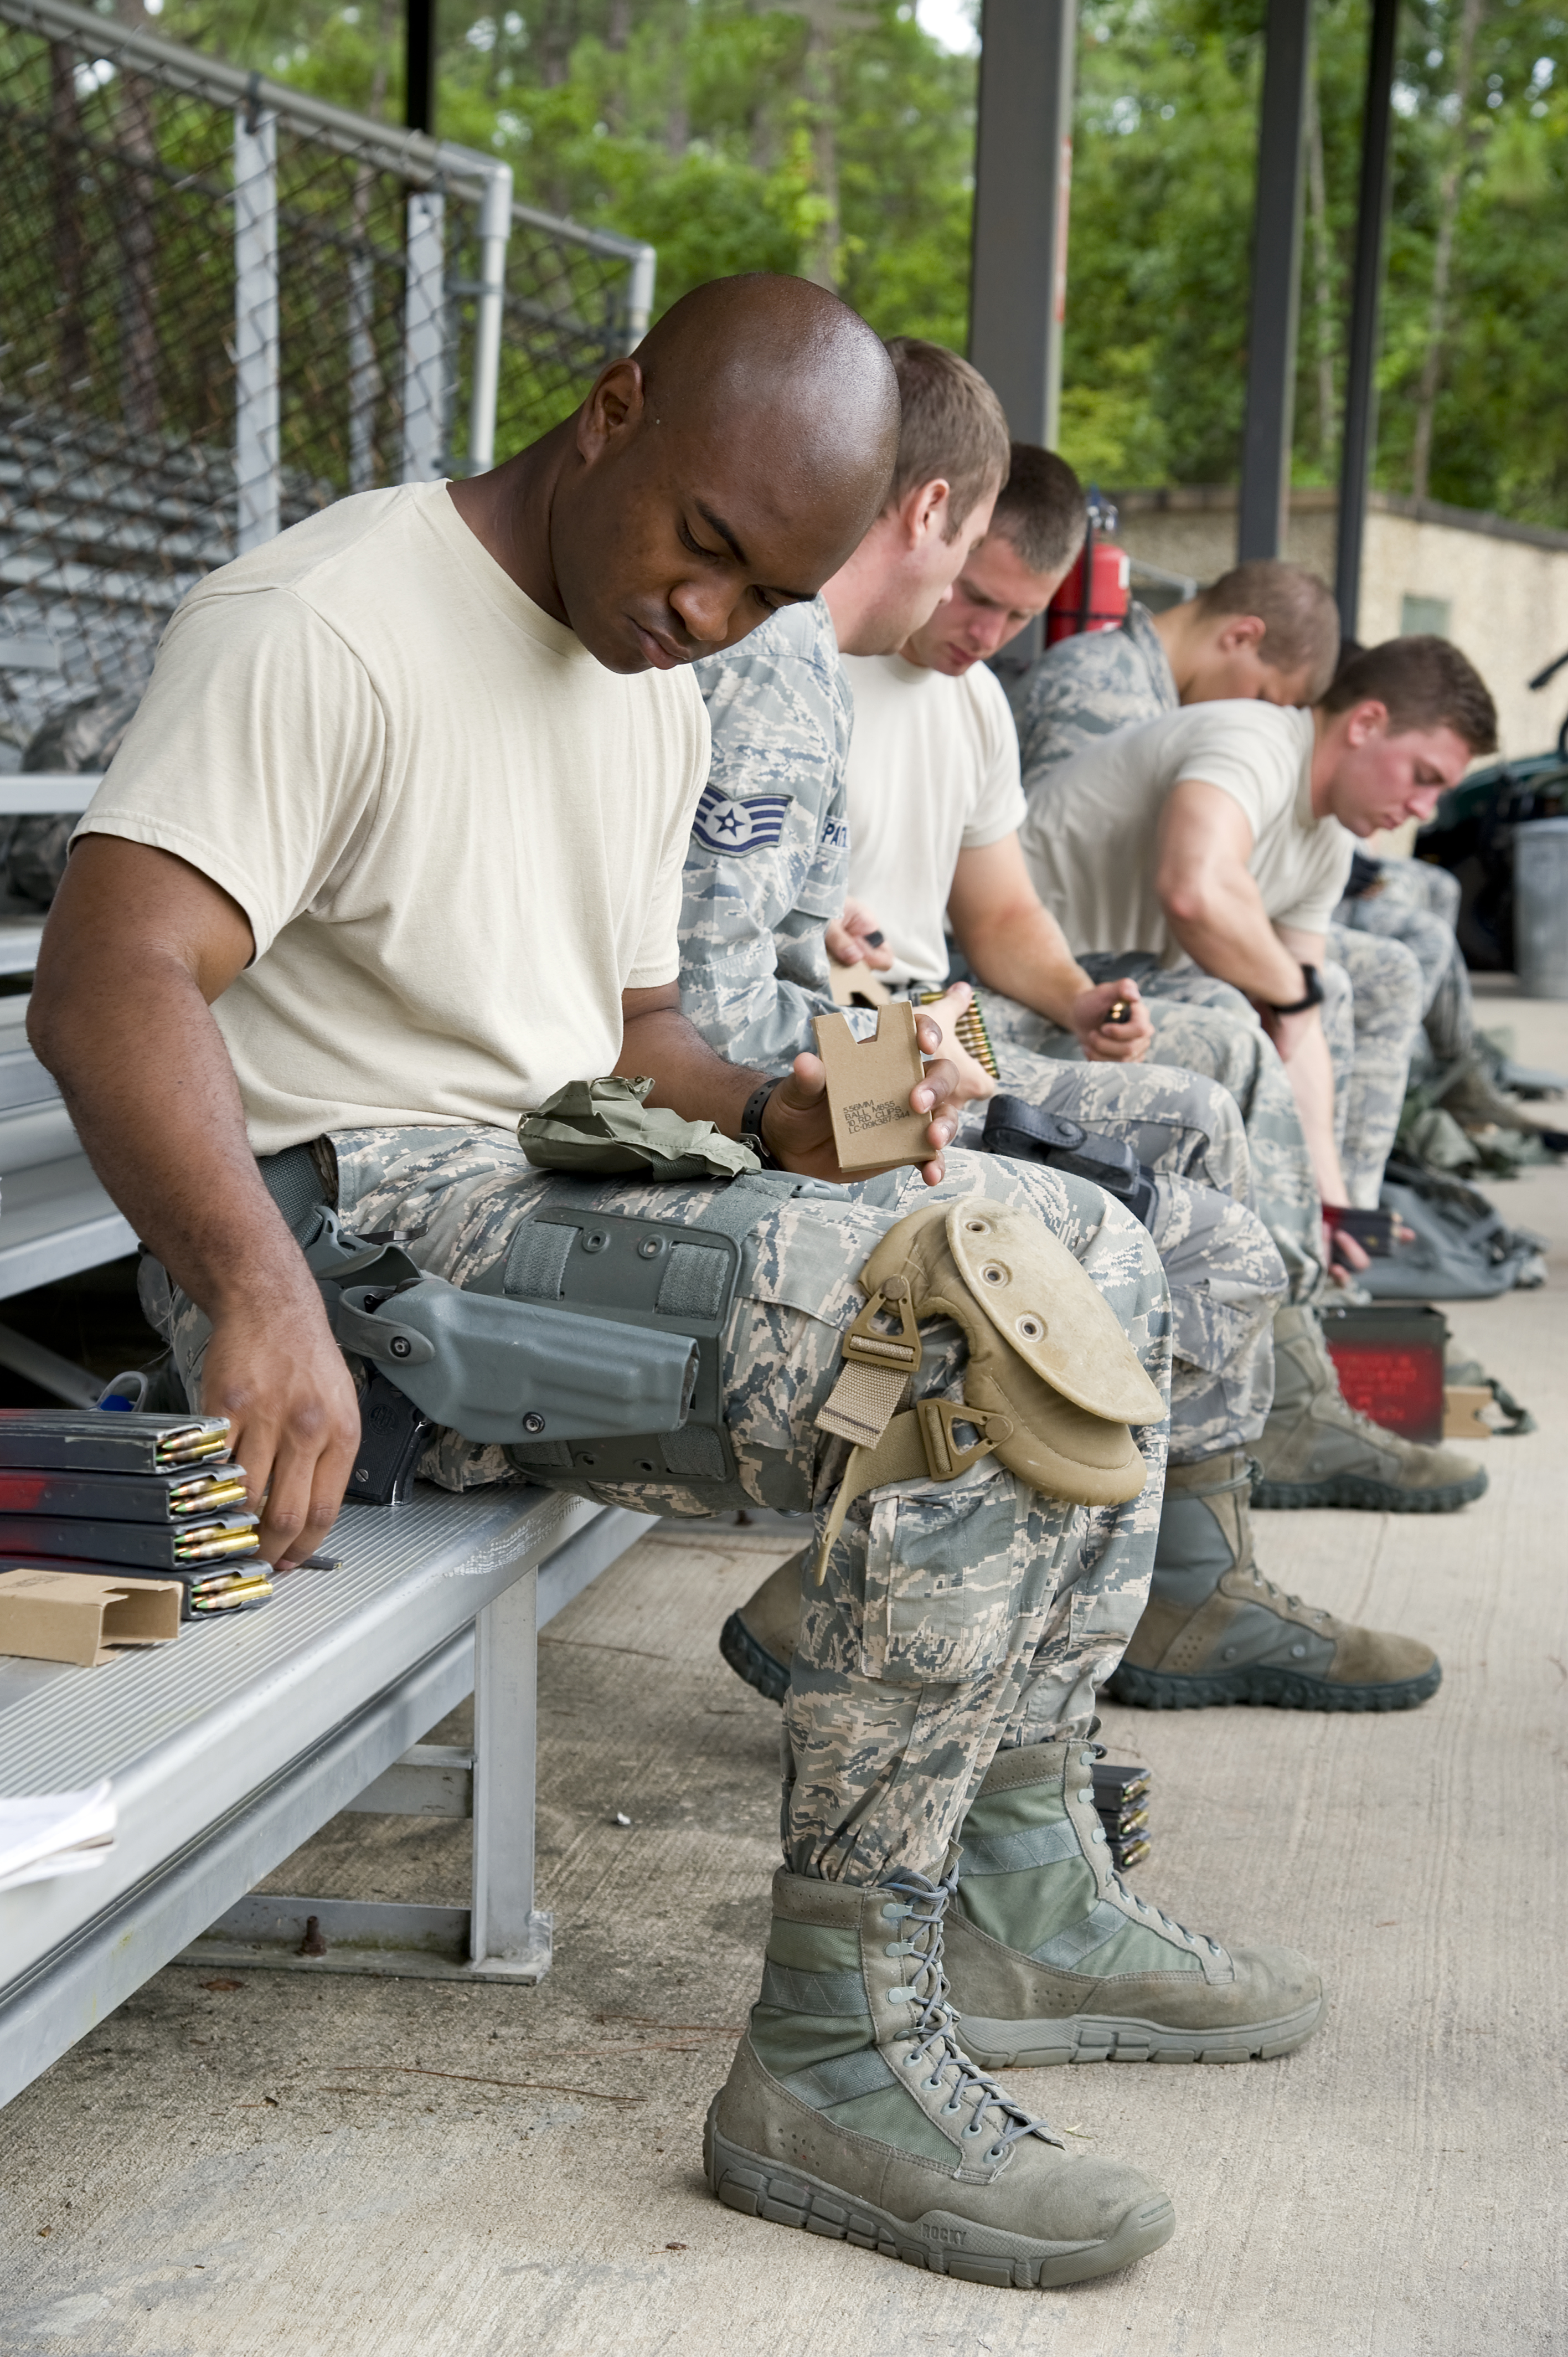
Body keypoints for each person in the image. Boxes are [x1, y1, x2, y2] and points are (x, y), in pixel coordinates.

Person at [28, 271, 1289, 2291]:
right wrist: (248, 1294)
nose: (705, 615)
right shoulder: (323, 618)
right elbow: (110, 979)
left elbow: (629, 1053)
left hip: (538, 1187)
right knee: (969, 1330)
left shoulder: (640, 683)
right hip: (353, 1257)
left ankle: (1021, 1879)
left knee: (1092, 1256)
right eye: (702, 549)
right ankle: (831, 2049)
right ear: (611, 410)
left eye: (764, 595)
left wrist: (809, 1107)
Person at [682, 374, 1438, 1725]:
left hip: (916, 1006)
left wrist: (1077, 996)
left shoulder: (956, 699)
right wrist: (877, 1015)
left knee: (1184, 1109)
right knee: (1147, 1215)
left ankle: (1219, 1504)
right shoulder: (785, 658)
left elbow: (993, 922)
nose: (984, 635)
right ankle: (1094, 1583)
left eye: (1016, 617)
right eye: (977, 595)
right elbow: (733, 987)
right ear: (928, 519)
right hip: (826, 1043)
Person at [1019, 638, 1497, 1221]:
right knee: (1231, 1010)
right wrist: (1294, 992)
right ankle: (1267, 1272)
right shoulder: (1254, 743)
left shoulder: (1328, 840)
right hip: (1019, 983)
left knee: (1317, 1000)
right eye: (1424, 776)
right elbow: (1195, 891)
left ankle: (1322, 1246)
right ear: (1367, 723)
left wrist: (1331, 1202)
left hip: (1108, 1000)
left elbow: (1305, 1025)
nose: (1425, 807)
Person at [1015, 558, 1340, 779]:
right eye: (1261, 699)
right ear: (1241, 637)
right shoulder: (1116, 700)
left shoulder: (1130, 684)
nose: (1251, 720)